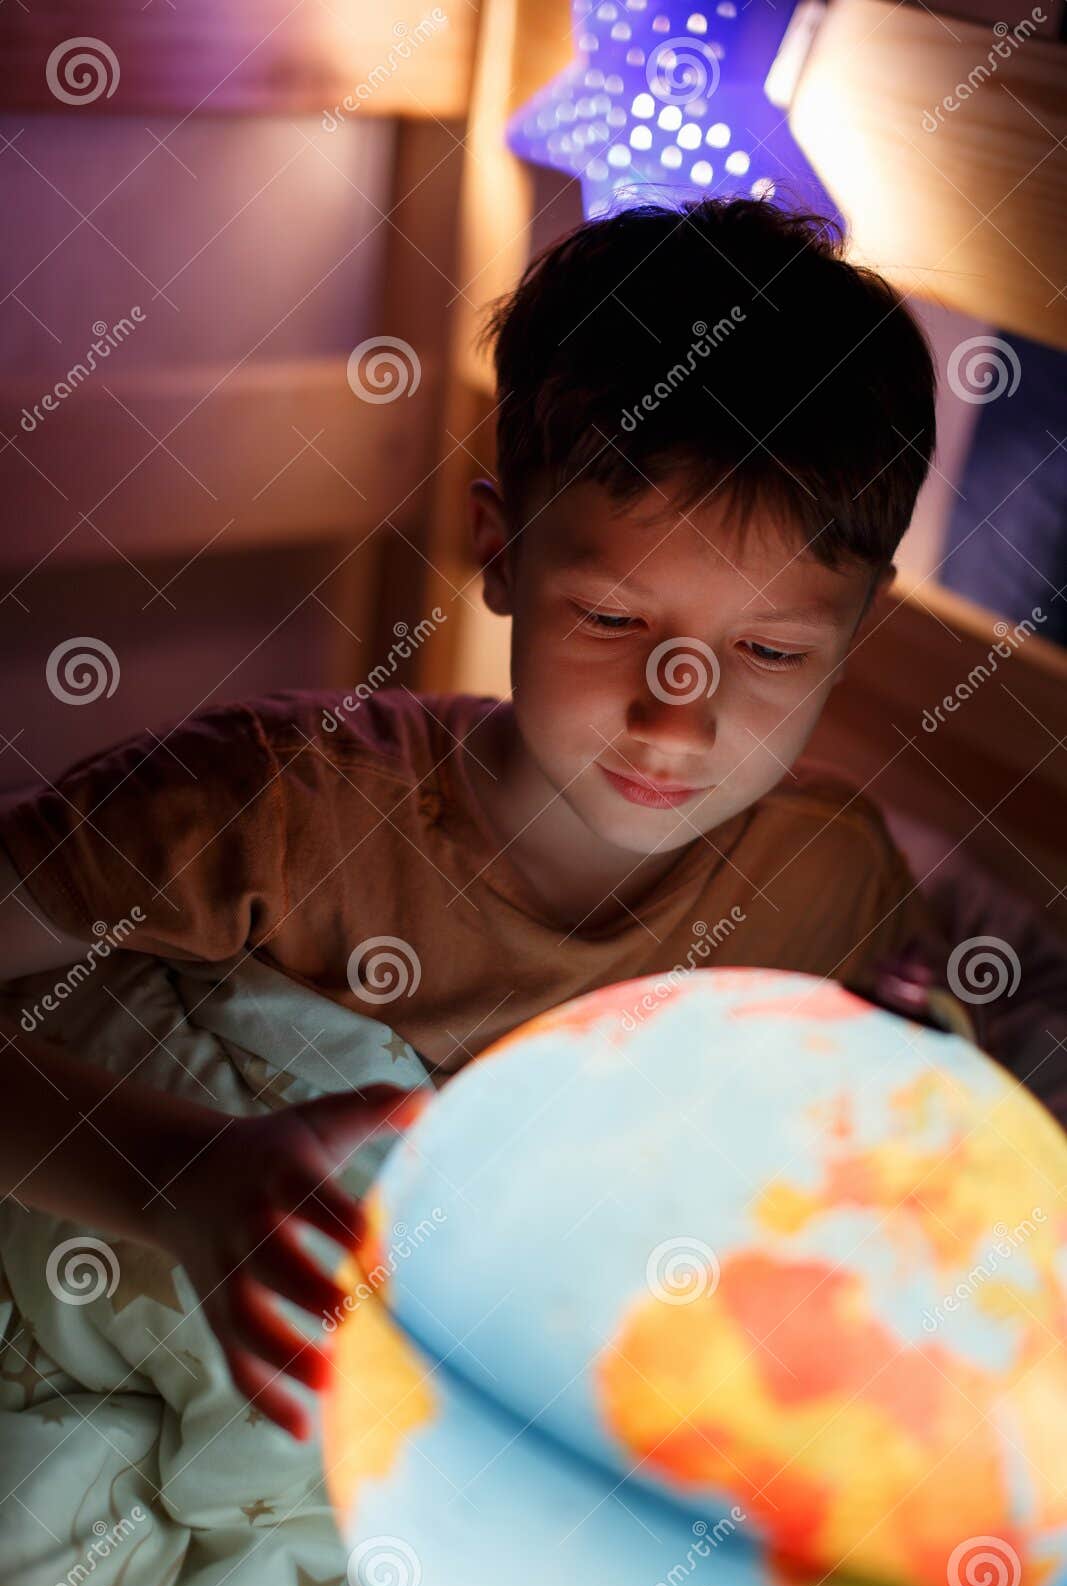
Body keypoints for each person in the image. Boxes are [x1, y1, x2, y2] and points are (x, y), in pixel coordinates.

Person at [0, 196, 945, 1439]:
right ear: (499, 550)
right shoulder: (272, 805)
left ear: (857, 629)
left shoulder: (827, 884)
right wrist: (176, 1177)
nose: (676, 720)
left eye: (769, 650)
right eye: (611, 620)